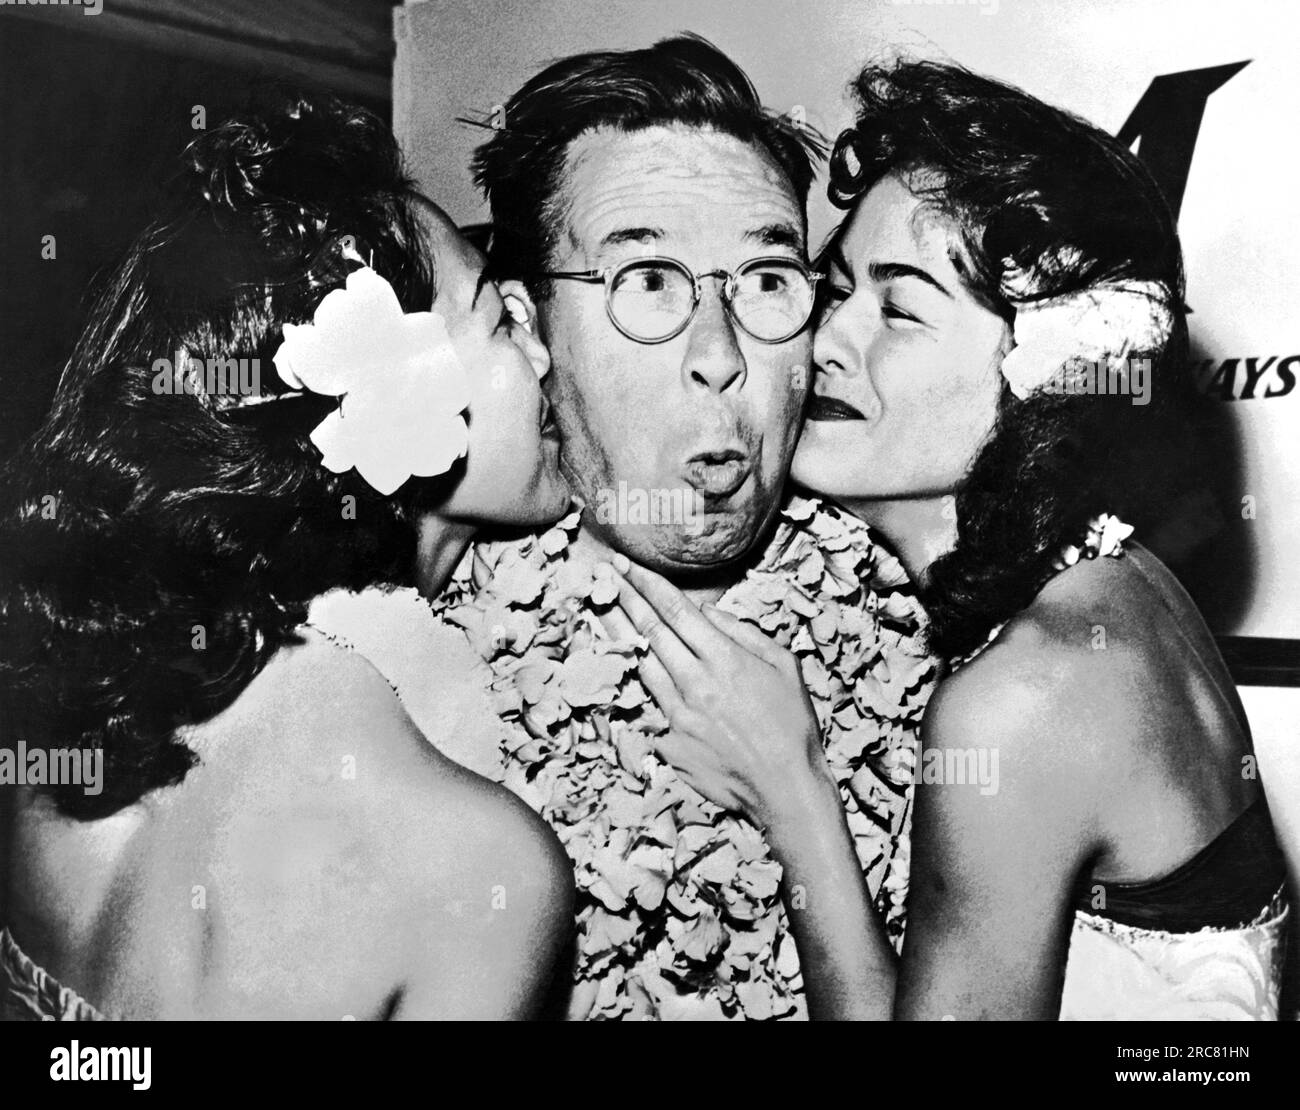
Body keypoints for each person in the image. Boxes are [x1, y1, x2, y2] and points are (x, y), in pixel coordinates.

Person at [608, 60, 1290, 1019]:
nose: (828, 341)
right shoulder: (1116, 580)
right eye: (835, 286)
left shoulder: (1027, 698)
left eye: (898, 307)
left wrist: (790, 788)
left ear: (1041, 379)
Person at [0, 94, 574, 1020]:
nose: (545, 359)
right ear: (398, 404)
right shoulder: (474, 865)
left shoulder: (74, 727)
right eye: (497, 318)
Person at [432, 35, 937, 1020]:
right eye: (648, 281)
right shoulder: (398, 663)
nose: (720, 353)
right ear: (529, 330)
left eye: (764, 282)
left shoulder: (939, 616)